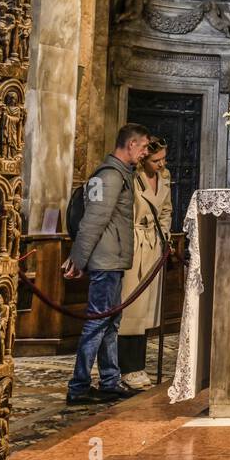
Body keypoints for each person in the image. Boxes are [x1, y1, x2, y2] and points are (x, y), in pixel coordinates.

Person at [63, 123, 150, 404]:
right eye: (144, 147)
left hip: (112, 260)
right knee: (96, 323)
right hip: (104, 261)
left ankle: (110, 380)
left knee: (111, 322)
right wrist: (78, 259)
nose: (146, 153)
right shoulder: (109, 176)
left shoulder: (122, 175)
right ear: (131, 144)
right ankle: (78, 385)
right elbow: (92, 221)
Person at [119, 136, 173, 389]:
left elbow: (166, 210)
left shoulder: (164, 177)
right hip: (134, 243)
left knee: (146, 311)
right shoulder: (132, 177)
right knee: (131, 309)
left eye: (163, 159)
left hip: (154, 245)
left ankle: (138, 365)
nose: (161, 164)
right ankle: (128, 368)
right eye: (155, 160)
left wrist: (163, 236)